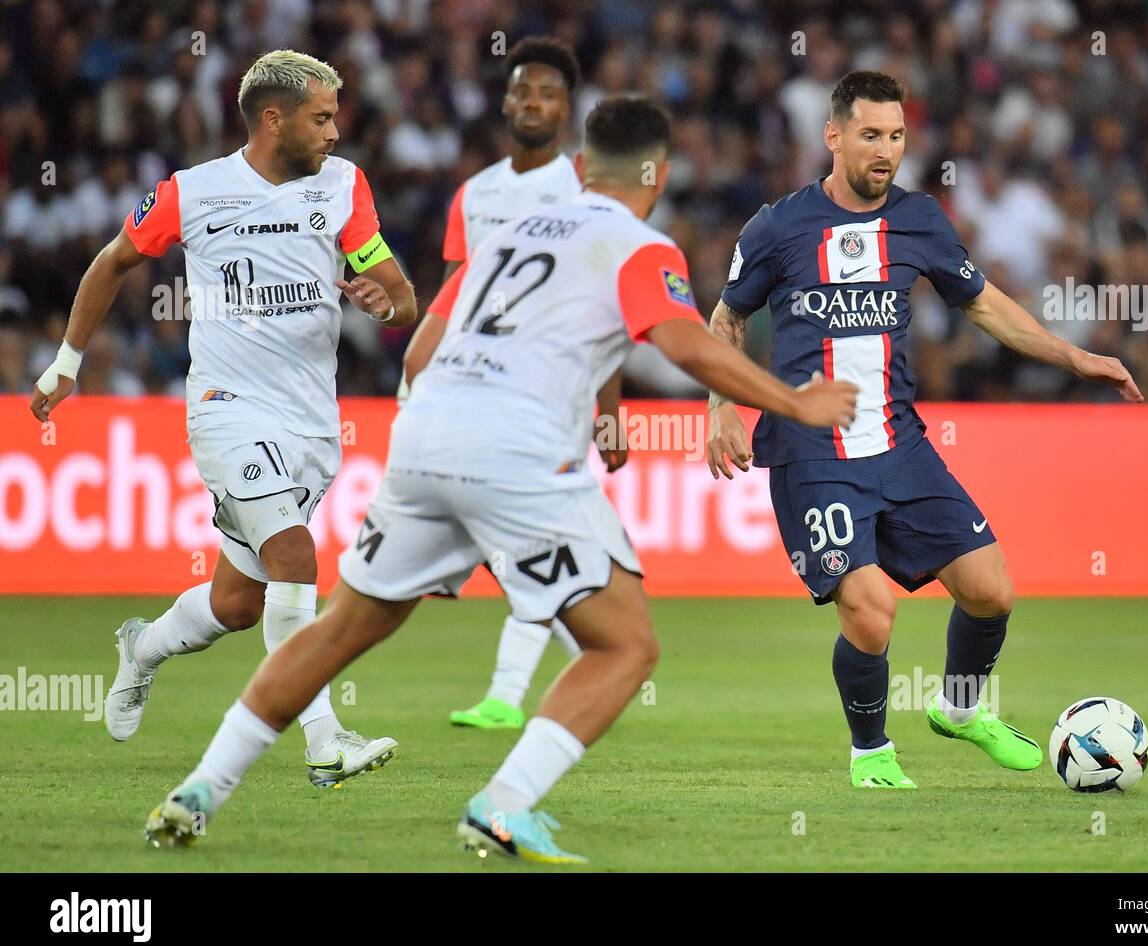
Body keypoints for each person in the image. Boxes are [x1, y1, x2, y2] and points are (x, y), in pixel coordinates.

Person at [142, 95, 858, 863]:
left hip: (423, 438)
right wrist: (793, 401)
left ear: (580, 168)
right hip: (517, 452)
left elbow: (419, 351)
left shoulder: (506, 233)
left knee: (343, 629)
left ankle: (200, 789)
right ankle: (503, 806)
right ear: (662, 173)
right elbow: (683, 342)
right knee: (624, 647)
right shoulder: (643, 247)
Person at [706, 71, 1143, 790]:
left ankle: (961, 711)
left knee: (991, 590)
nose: (886, 150)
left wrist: (1077, 357)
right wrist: (722, 405)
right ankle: (871, 753)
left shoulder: (920, 220)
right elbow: (726, 319)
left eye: (898, 136)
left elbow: (988, 307)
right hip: (814, 453)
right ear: (835, 136)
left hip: (901, 447)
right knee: (872, 612)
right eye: (871, 135)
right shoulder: (776, 228)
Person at [31, 50, 416, 788]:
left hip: (310, 424)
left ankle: (142, 647)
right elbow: (111, 262)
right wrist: (67, 363)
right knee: (297, 560)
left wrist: (384, 303)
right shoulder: (192, 193)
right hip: (226, 411)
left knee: (238, 605)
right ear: (274, 120)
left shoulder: (343, 188)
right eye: (323, 117)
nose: (337, 132)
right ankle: (324, 742)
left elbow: (401, 294)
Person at [402, 37, 604, 733]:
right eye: (524, 92)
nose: (534, 104)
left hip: (559, 393)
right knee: (534, 549)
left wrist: (610, 412)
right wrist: (422, 378)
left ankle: (524, 690)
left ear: (566, 108)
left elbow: (600, 304)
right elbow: (456, 302)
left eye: (549, 94)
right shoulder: (476, 194)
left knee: (533, 547)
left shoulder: (585, 188)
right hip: (481, 397)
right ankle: (597, 665)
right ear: (506, 99)